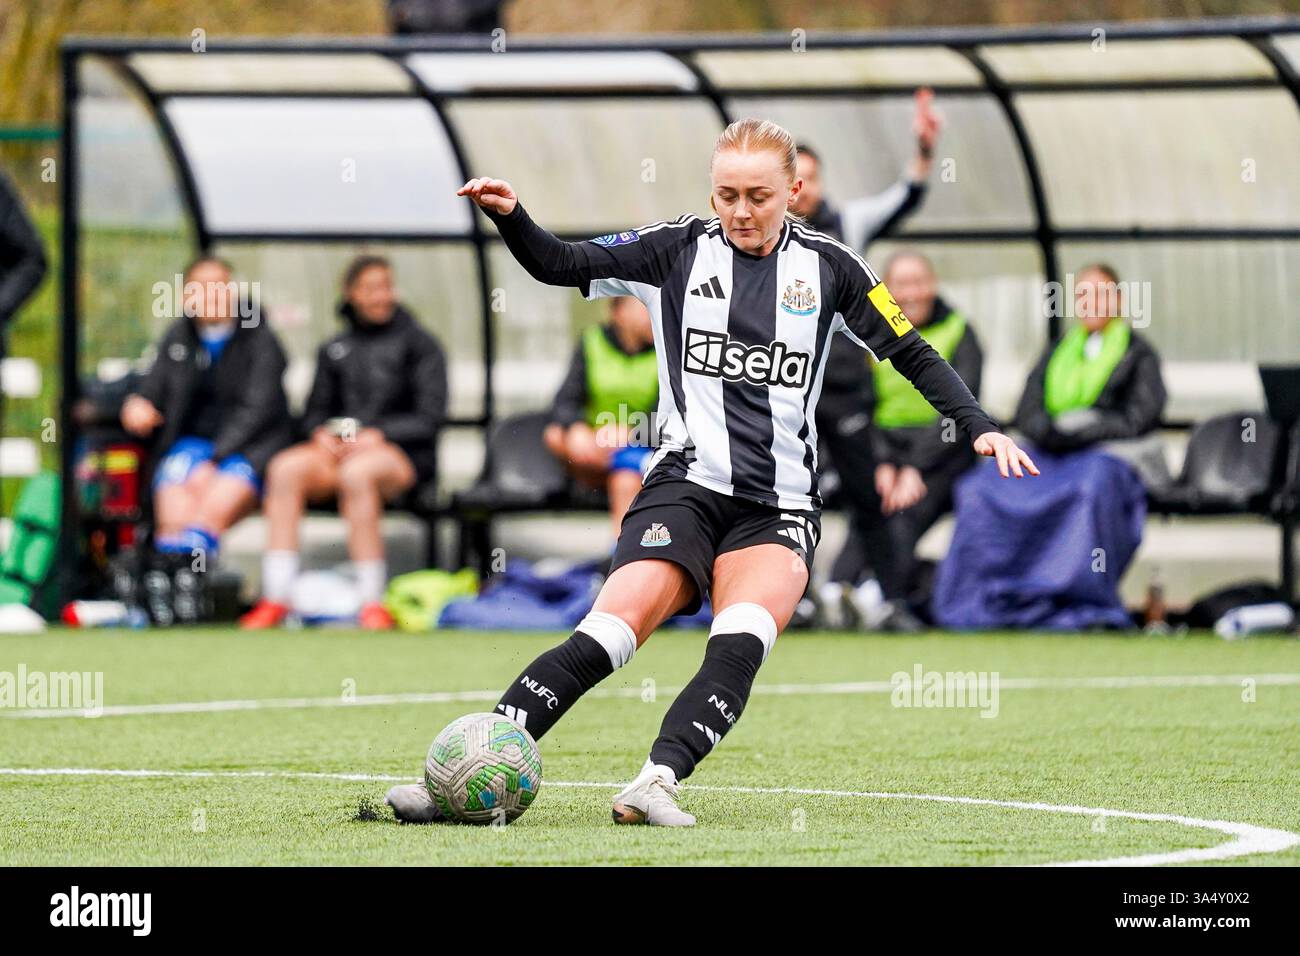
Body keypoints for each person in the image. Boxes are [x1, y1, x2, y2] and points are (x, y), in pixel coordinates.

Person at [386, 118, 1035, 827]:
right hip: (684, 488)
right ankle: (464, 775)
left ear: (794, 191)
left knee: (743, 635)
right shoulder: (674, 250)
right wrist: (514, 219)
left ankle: (655, 781)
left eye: (759, 195)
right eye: (727, 194)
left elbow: (912, 351)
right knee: (608, 632)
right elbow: (560, 263)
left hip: (779, 505)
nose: (742, 212)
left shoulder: (833, 268)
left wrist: (979, 426)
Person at [788, 89, 942, 627]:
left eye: (811, 176)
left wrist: (924, 151)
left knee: (865, 499)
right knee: (789, 496)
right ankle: (794, 602)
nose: (802, 189)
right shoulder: (758, 237)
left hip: (846, 391)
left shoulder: (846, 226)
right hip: (785, 390)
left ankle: (893, 601)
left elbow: (905, 197)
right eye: (794, 178)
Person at [240, 255, 448, 631]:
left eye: (386, 286)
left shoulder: (421, 344)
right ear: (350, 293)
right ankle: (276, 597)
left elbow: (429, 418)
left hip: (400, 457)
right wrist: (320, 433)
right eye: (370, 289)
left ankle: (371, 603)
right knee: (284, 469)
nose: (380, 296)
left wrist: (377, 436)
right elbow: (313, 414)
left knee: (357, 473)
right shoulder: (334, 347)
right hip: (338, 454)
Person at [825, 251, 985, 630]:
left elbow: (960, 412)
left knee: (905, 507)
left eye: (918, 282)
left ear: (932, 286)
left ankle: (881, 595)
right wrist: (880, 462)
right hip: (884, 447)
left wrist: (914, 467)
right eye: (901, 284)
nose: (910, 292)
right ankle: (836, 590)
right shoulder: (867, 335)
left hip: (941, 454)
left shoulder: (961, 332)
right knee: (869, 500)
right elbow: (859, 405)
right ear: (887, 290)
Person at [121, 256, 293, 579]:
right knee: (173, 514)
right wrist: (139, 402)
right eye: (201, 288)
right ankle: (172, 597)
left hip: (249, 450)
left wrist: (214, 460)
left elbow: (258, 411)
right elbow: (153, 385)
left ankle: (199, 593)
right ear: (187, 296)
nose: (212, 295)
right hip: (189, 448)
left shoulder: (260, 339)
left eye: (220, 286)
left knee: (206, 513)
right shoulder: (178, 337)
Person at [1015, 263, 1166, 455]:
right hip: (1053, 449)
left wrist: (1085, 433)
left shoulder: (1136, 353)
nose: (1090, 303)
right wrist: (1049, 433)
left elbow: (1139, 418)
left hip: (1106, 451)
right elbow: (1028, 407)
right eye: (1082, 295)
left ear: (1118, 300)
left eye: (1099, 294)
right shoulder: (1057, 350)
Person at [544, 294, 658, 536]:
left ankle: (618, 559)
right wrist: (576, 428)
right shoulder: (591, 342)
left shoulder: (668, 348)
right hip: (596, 449)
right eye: (645, 307)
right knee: (555, 435)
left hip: (643, 447)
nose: (653, 314)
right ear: (618, 312)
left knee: (626, 479)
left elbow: (674, 414)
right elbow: (565, 401)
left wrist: (631, 433)